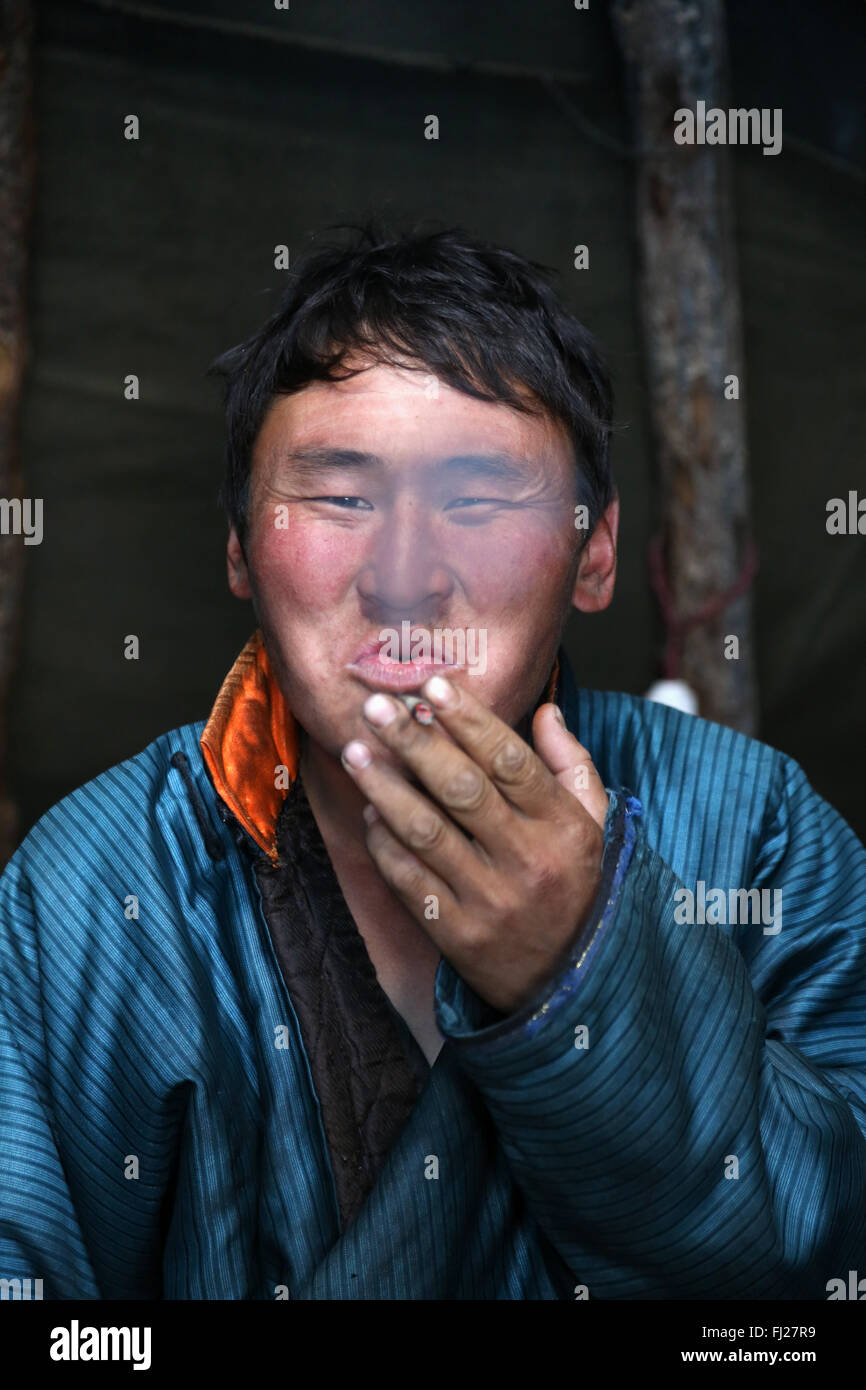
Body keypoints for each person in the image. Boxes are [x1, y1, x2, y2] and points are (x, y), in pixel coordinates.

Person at [1, 222, 864, 1301]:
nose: (403, 576)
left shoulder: (756, 831)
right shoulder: (88, 889)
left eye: (479, 497)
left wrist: (583, 975)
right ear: (236, 546)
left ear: (594, 554)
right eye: (339, 496)